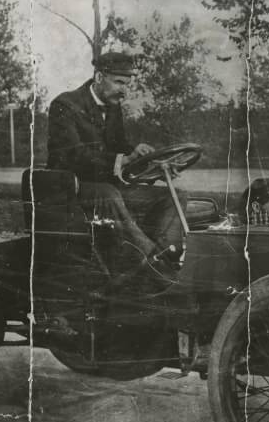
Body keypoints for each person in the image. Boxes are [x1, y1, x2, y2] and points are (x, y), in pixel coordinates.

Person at [46, 51, 187, 272]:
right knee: (108, 195)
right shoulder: (65, 104)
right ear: (99, 77)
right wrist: (124, 159)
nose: (124, 90)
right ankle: (149, 263)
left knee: (173, 195)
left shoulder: (112, 107)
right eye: (119, 82)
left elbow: (119, 145)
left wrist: (147, 161)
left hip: (106, 187)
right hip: (69, 190)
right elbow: (72, 157)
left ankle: (168, 256)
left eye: (127, 84)